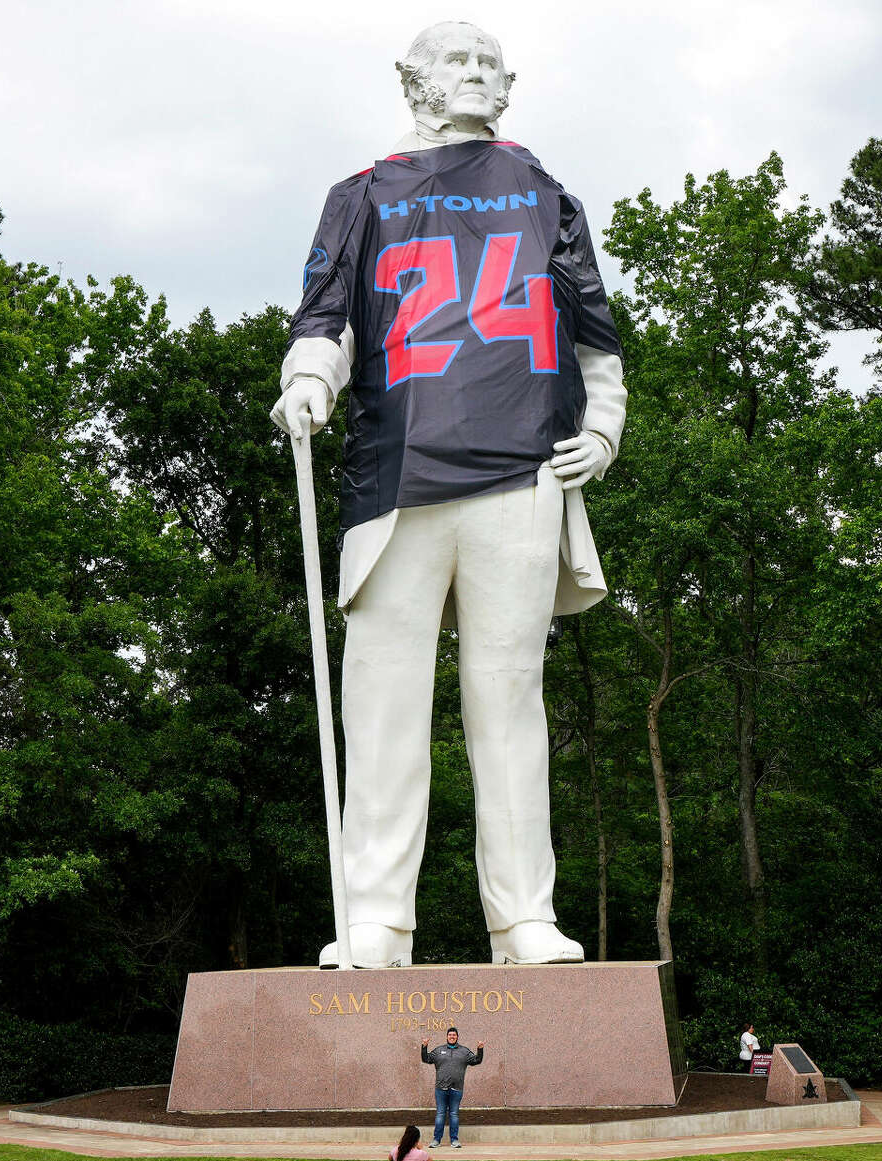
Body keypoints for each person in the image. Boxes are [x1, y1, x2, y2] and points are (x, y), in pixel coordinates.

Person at [273, 22, 626, 969]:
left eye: (486, 62)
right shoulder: (362, 195)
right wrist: (309, 378)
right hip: (396, 474)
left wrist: (602, 427)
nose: (472, 73)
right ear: (414, 81)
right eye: (454, 61)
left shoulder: (547, 193)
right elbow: (324, 318)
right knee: (382, 707)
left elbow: (596, 333)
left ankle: (524, 920)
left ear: (508, 83)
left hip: (523, 470)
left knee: (509, 702)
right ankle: (376, 920)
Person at [421, 1027, 484, 1147]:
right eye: (450, 1035)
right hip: (441, 1089)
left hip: (457, 1089)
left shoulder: (464, 1051)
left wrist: (480, 1049)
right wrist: (424, 1047)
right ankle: (436, 1140)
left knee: (454, 1114)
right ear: (447, 1036)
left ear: (457, 1037)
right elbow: (426, 1059)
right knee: (440, 1113)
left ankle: (454, 1140)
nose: (452, 1036)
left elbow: (477, 1060)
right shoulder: (439, 1050)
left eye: (454, 1035)